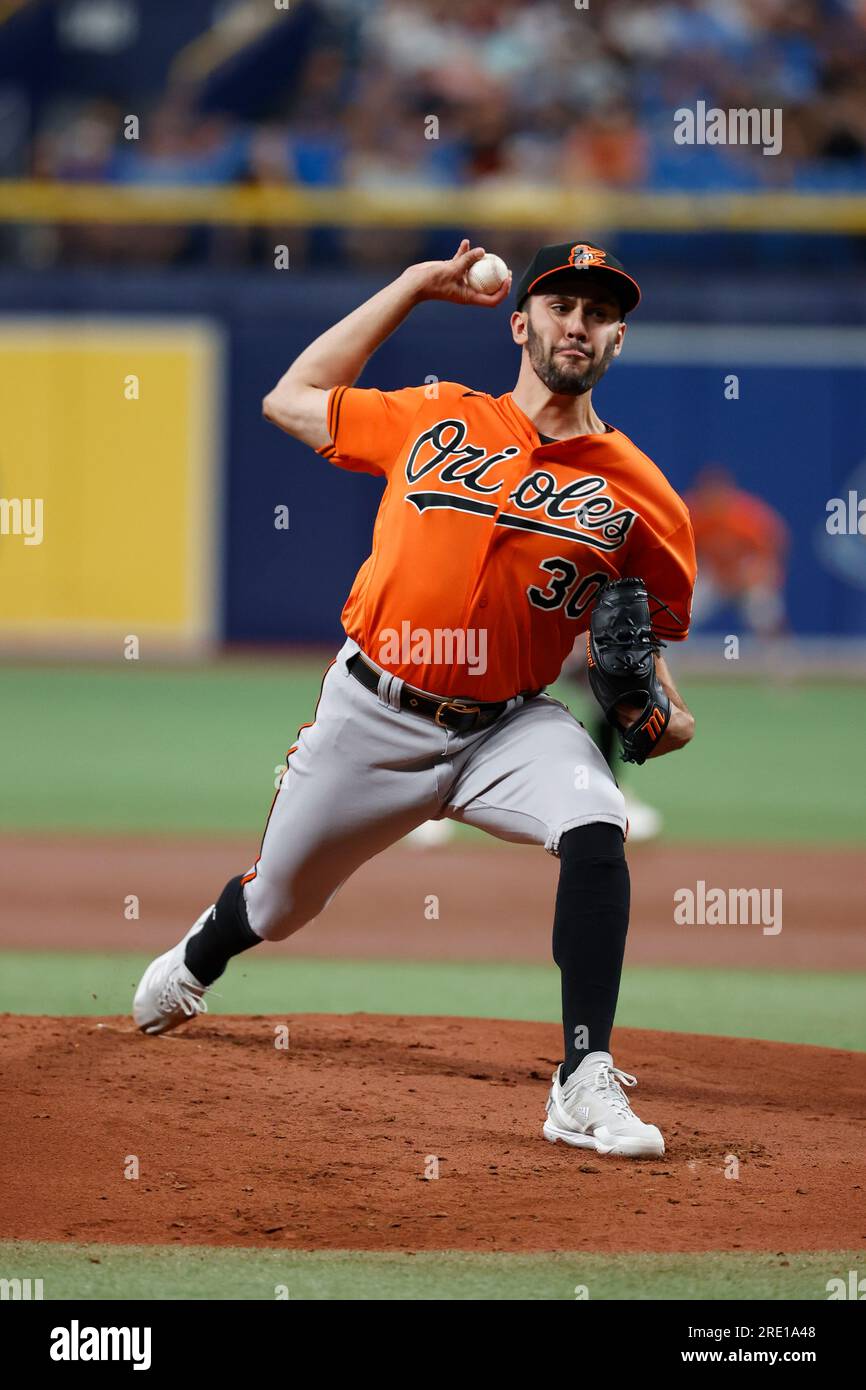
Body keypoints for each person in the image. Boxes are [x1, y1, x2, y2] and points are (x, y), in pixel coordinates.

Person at [133, 238, 697, 1158]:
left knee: (597, 821)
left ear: (617, 339)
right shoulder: (434, 415)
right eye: (562, 305)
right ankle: (202, 955)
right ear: (521, 323)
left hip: (508, 726)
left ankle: (582, 1081)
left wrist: (667, 720)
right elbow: (290, 400)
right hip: (371, 713)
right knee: (278, 905)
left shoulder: (644, 497)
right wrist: (409, 288)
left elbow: (645, 654)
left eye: (599, 313)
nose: (579, 324)